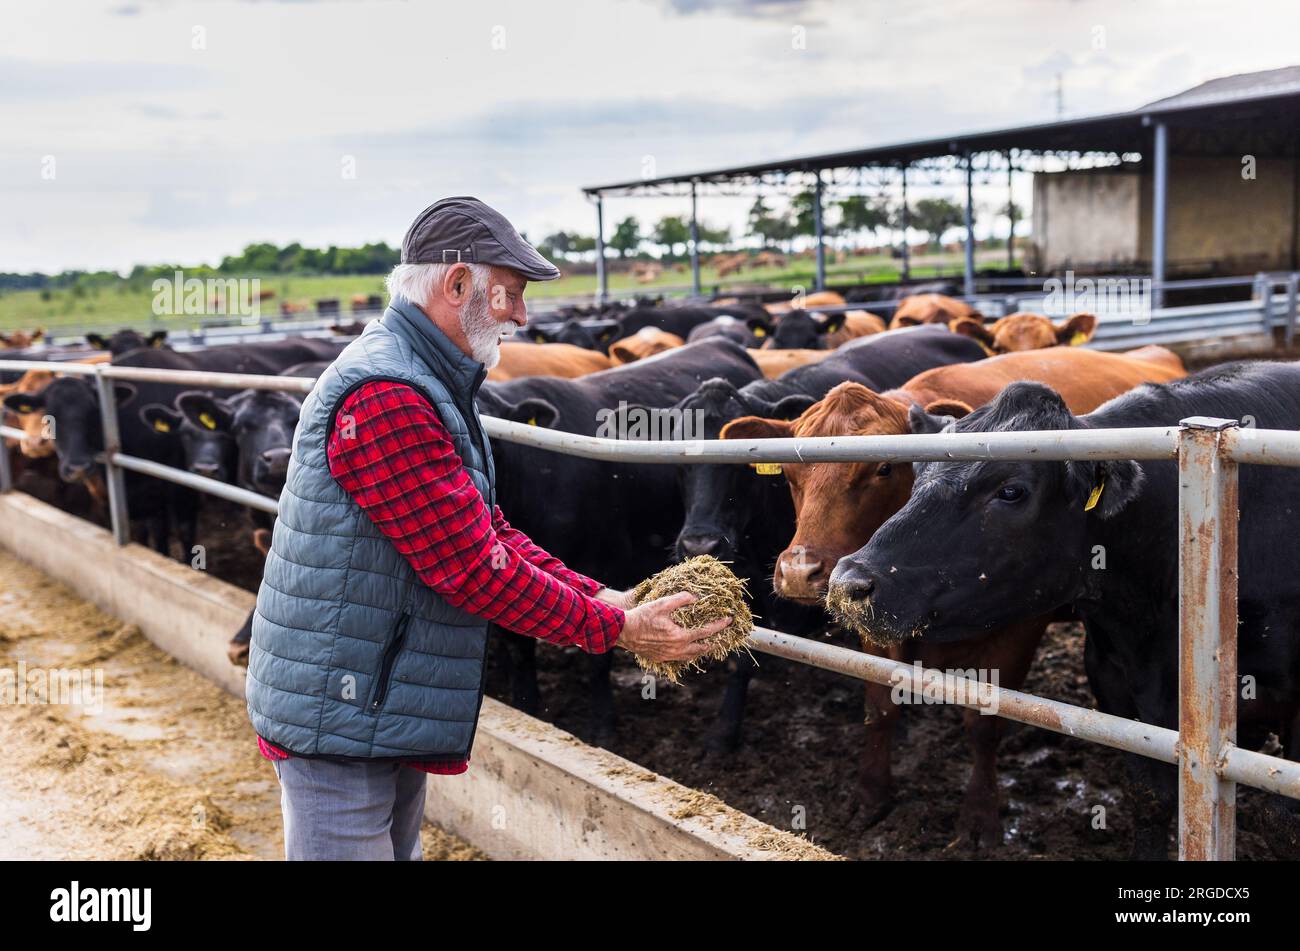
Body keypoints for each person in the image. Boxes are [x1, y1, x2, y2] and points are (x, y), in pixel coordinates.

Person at [245, 196, 728, 860]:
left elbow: (487, 527)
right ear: (456, 283)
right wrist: (616, 630)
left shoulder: (423, 377)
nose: (523, 315)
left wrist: (601, 595)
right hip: (344, 703)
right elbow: (469, 567)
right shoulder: (389, 393)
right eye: (511, 295)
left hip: (377, 692)